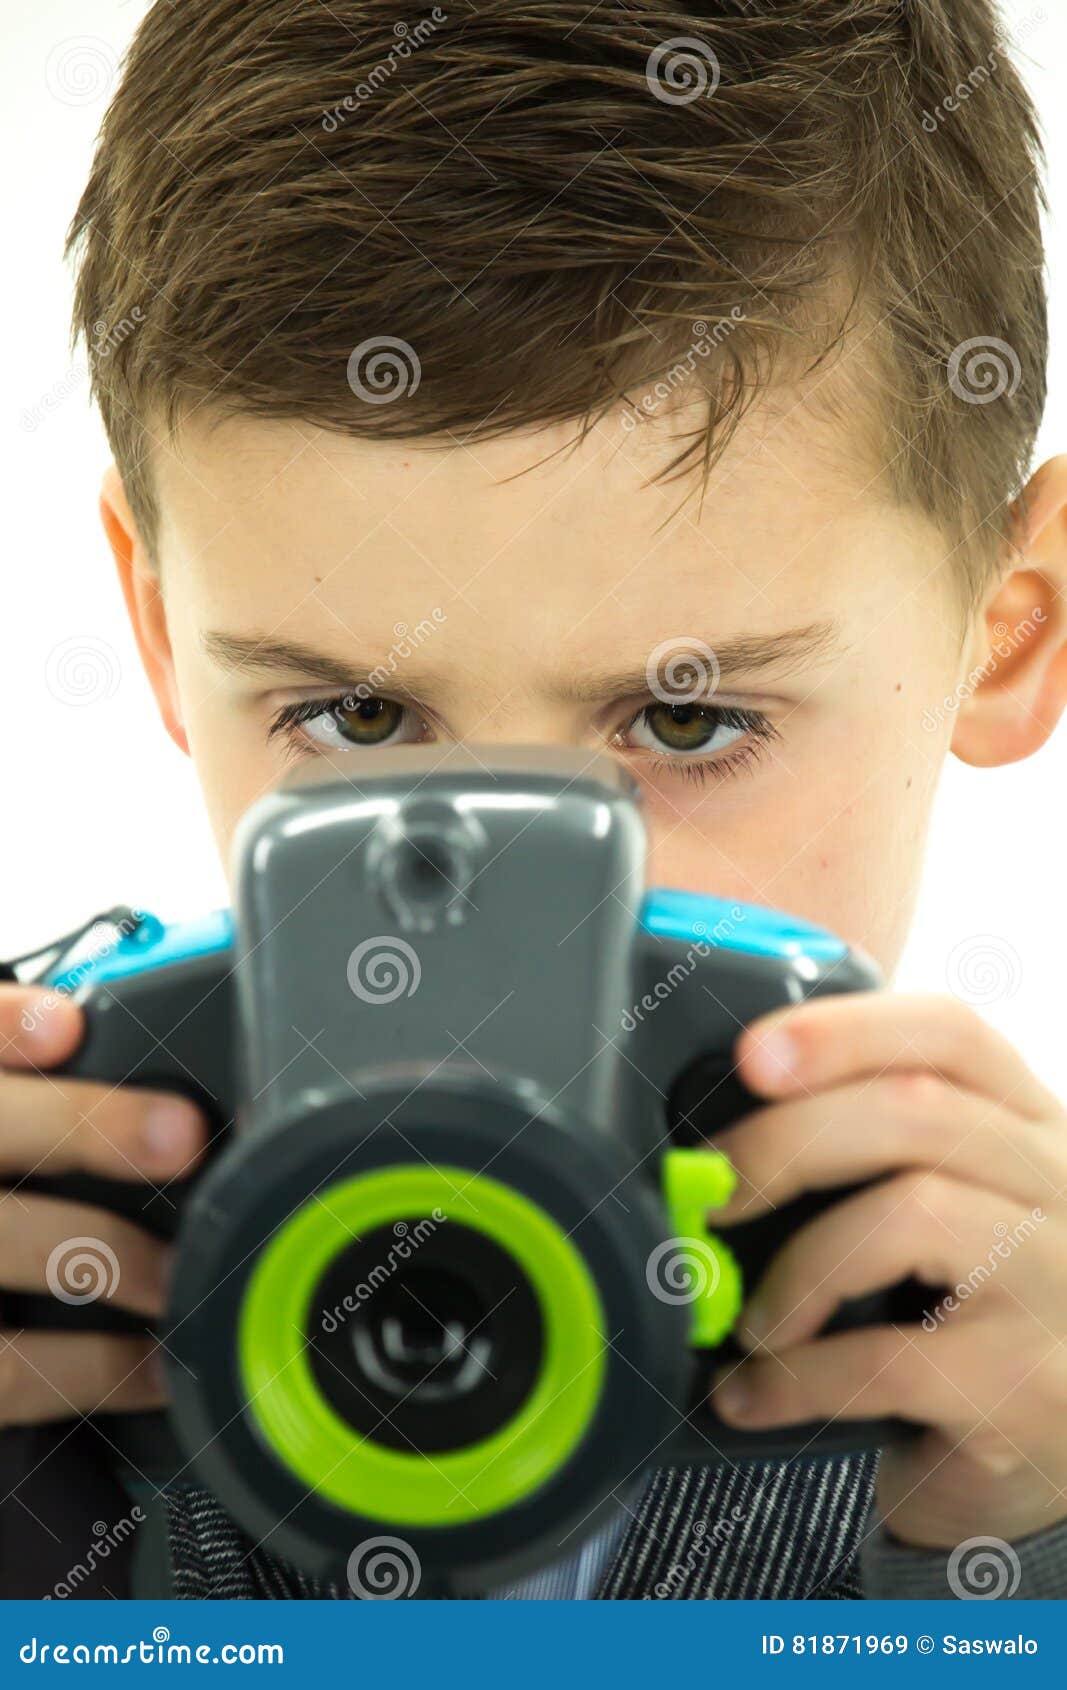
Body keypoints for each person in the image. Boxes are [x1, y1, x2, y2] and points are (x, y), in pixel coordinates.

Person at [3, 0, 1067, 1600]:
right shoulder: (57, 1245)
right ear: (159, 629)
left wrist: (1011, 1553)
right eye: (358, 715)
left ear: (1008, 631)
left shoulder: (1021, 1349)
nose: (516, 894)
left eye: (688, 715)